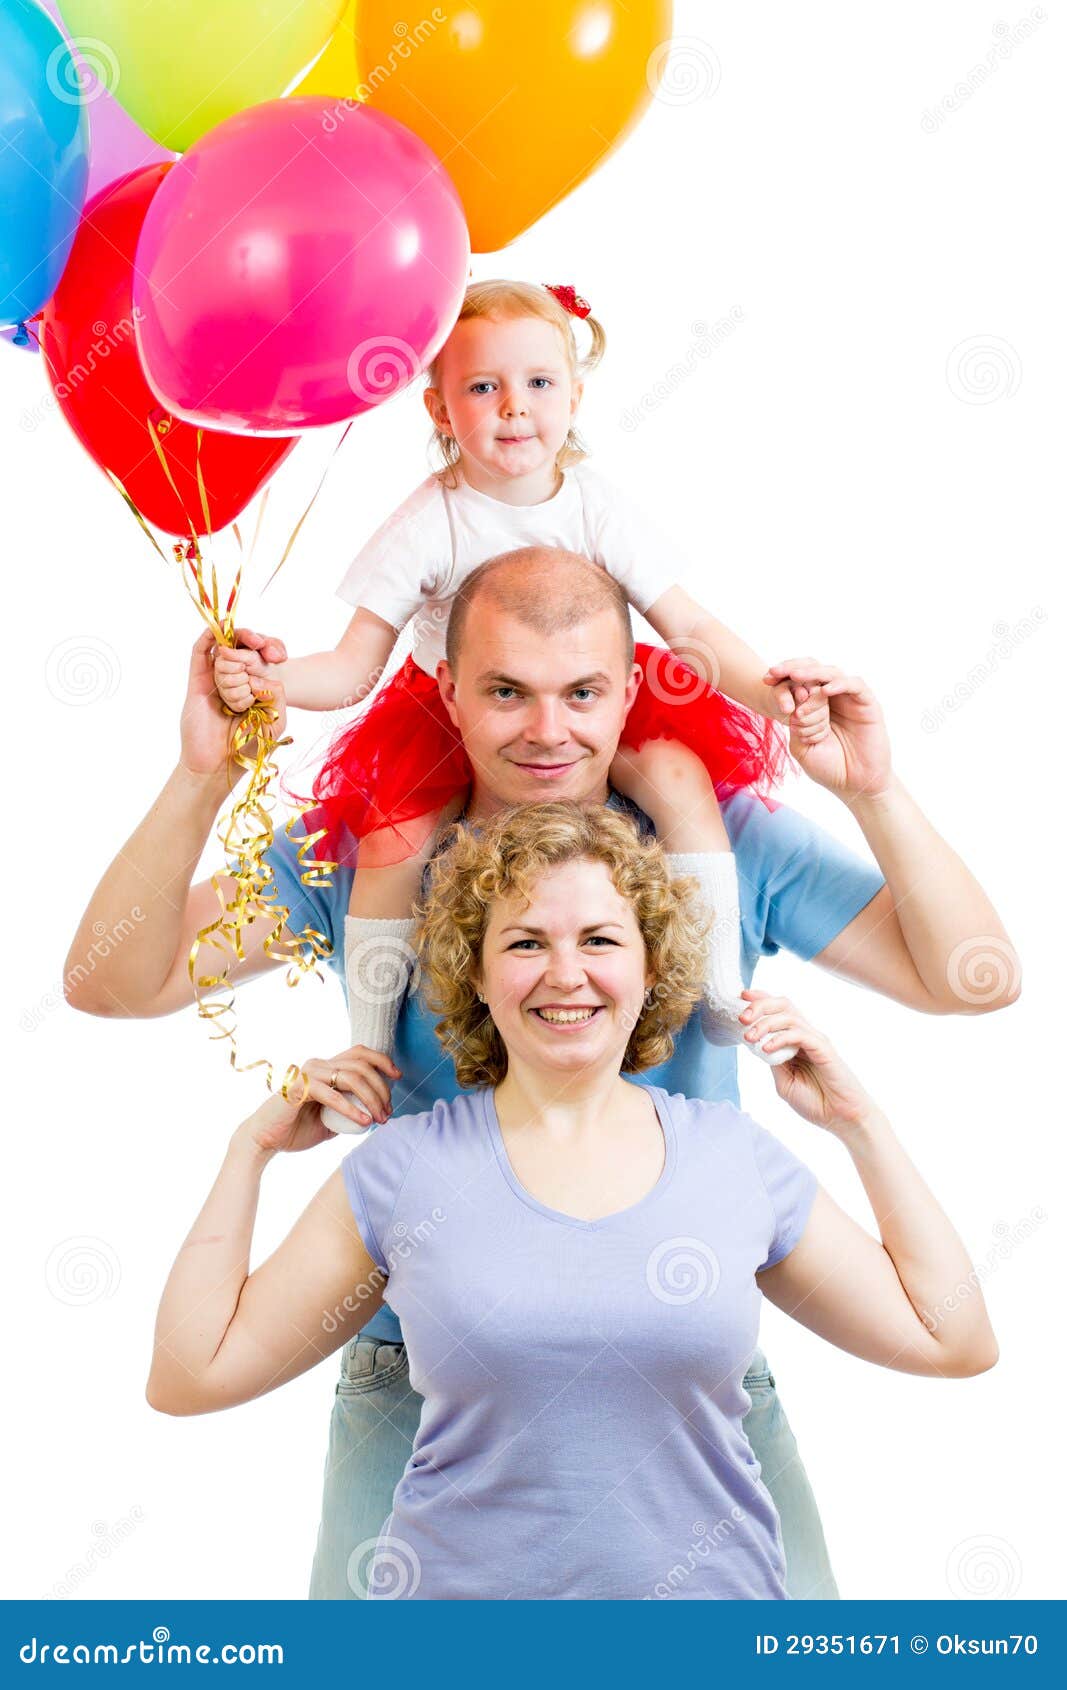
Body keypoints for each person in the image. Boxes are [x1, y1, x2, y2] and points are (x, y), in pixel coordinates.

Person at [65, 548, 1020, 1598]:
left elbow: (971, 977)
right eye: (506, 691)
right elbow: (115, 981)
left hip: (680, 1347)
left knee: (788, 1654)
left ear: (631, 689)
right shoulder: (376, 848)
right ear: (446, 690)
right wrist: (203, 777)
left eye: (582, 693)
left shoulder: (718, 844)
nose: (547, 730)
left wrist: (871, 791)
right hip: (423, 1360)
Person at [145, 801, 998, 1601]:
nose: (565, 973)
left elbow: (949, 1339)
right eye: (524, 943)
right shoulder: (403, 1170)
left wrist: (860, 1126)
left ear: (650, 966)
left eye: (599, 939)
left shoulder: (731, 1157)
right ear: (476, 975)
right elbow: (191, 1378)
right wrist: (249, 1154)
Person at [212, 278, 834, 1057]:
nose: (514, 407)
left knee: (678, 781)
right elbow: (351, 668)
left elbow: (691, 628)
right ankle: (372, 1044)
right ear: (440, 409)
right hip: (452, 712)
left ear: (574, 397)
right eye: (483, 387)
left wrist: (772, 694)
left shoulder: (594, 506)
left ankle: (714, 993)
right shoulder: (427, 521)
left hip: (590, 698)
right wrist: (269, 682)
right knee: (392, 840)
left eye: (539, 383)